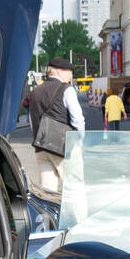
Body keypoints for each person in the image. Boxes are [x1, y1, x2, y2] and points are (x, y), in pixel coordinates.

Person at [27, 56, 84, 196]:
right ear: (58, 71)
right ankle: (76, 217)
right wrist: (79, 143)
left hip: (41, 147)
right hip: (64, 148)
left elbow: (31, 120)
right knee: (74, 189)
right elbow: (78, 120)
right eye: (68, 71)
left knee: (48, 193)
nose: (71, 75)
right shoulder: (67, 90)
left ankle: (50, 218)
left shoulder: (35, 92)